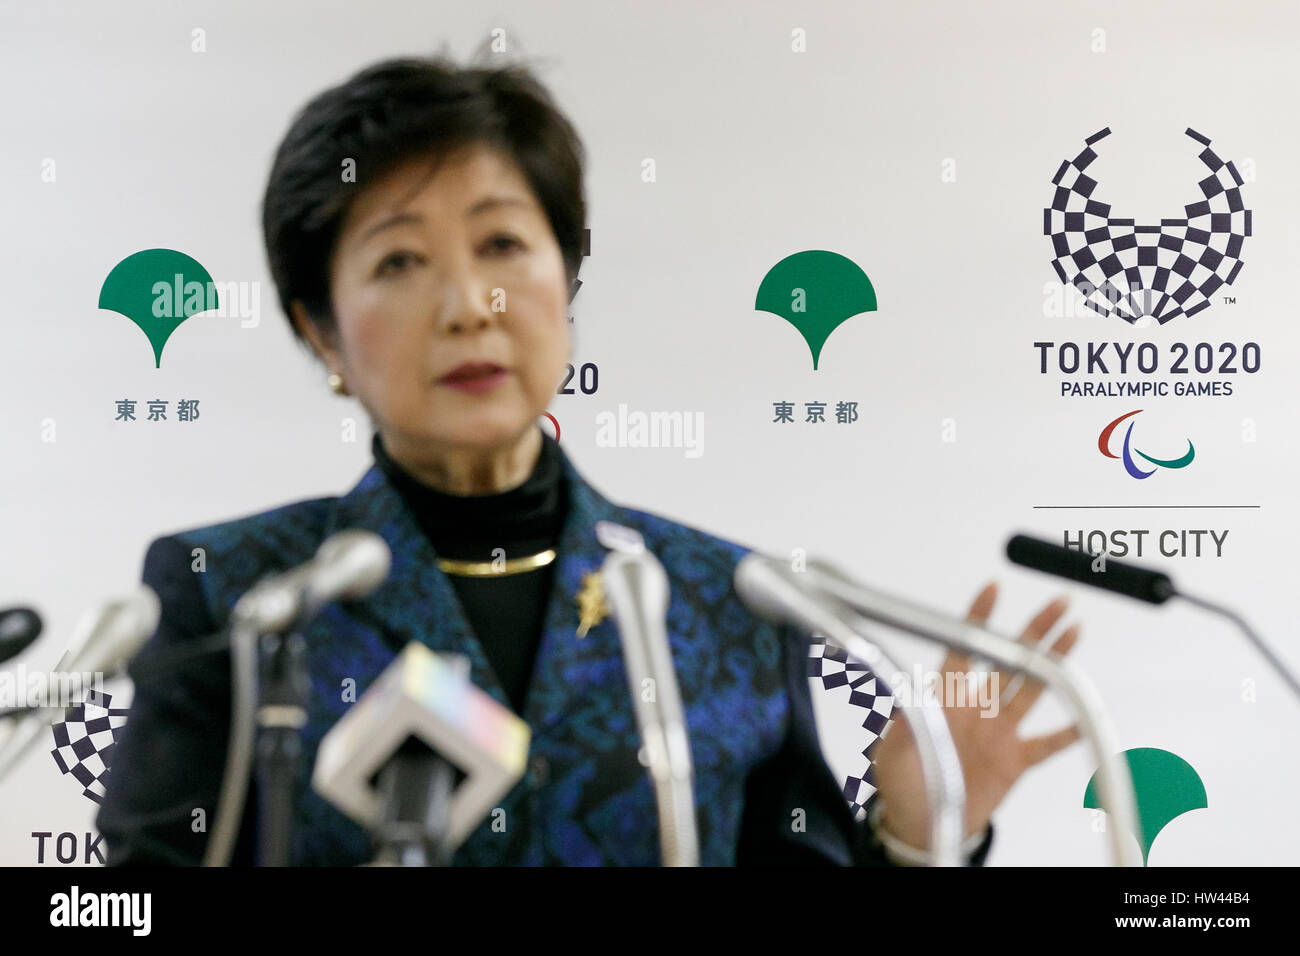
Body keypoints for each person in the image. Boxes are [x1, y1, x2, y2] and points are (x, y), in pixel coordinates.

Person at [96, 50, 1082, 866]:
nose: (468, 304)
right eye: (400, 260)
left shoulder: (728, 603)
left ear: (565, 281)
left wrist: (913, 834)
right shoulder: (237, 595)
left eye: (501, 245)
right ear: (322, 332)